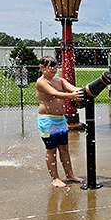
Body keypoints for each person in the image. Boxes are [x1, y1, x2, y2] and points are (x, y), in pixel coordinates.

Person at [36, 56, 84, 187]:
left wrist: (84, 91)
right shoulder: (41, 82)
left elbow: (73, 88)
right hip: (47, 119)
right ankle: (55, 178)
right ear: (42, 68)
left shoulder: (59, 80)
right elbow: (55, 94)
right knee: (51, 149)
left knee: (64, 148)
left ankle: (70, 175)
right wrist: (72, 96)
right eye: (50, 67)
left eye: (55, 67)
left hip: (60, 120)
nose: (54, 70)